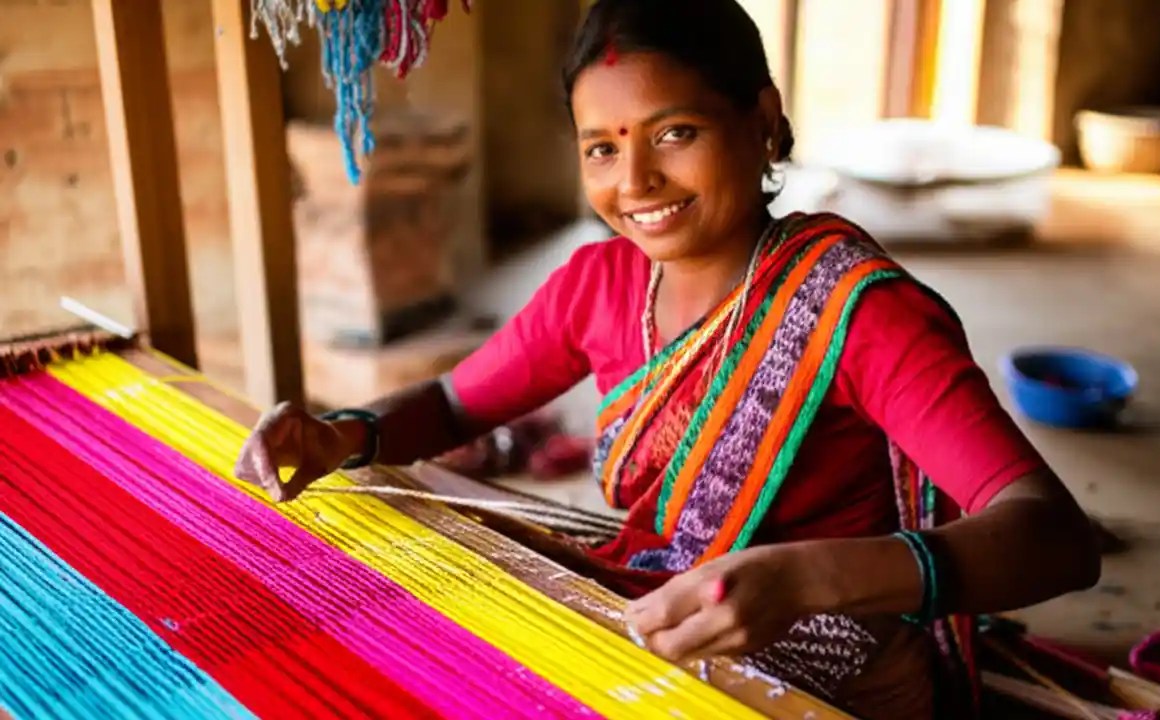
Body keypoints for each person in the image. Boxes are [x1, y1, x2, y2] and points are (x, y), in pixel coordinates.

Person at [235, 1, 1101, 716]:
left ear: (762, 123)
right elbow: (457, 408)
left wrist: (809, 577)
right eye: (602, 148)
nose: (636, 182)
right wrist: (345, 434)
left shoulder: (858, 311)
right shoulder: (599, 284)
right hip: (654, 605)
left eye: (674, 132)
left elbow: (1054, 537)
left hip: (831, 661)